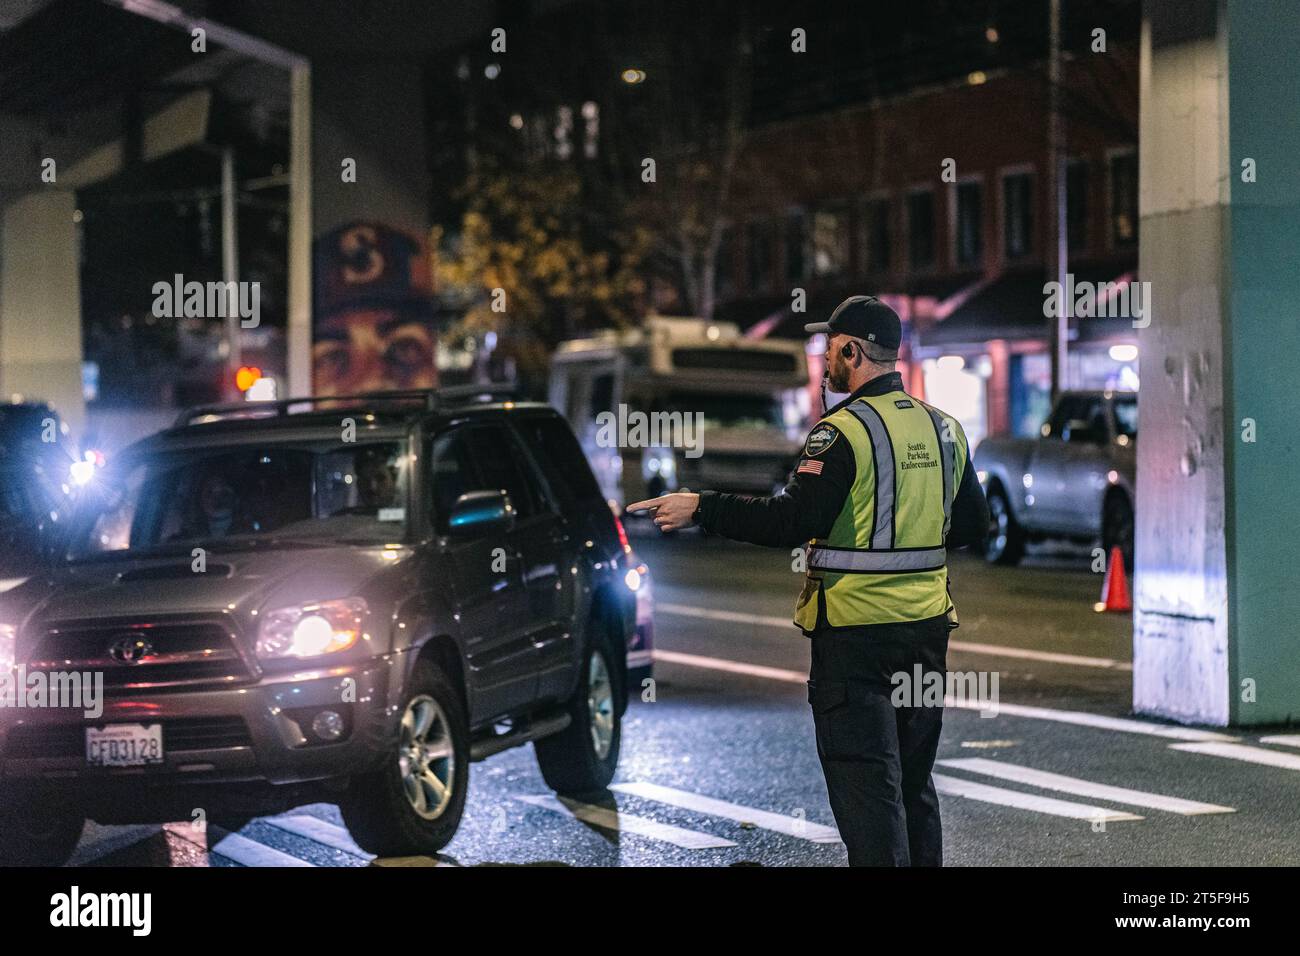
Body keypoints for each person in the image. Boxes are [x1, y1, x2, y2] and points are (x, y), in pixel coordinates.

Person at [628, 295, 990, 867]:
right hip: (925, 633)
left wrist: (702, 506)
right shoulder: (944, 428)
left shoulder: (841, 432)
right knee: (914, 786)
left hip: (856, 639)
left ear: (852, 351)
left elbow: (790, 521)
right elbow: (975, 524)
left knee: (870, 793)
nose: (824, 359)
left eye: (830, 348)